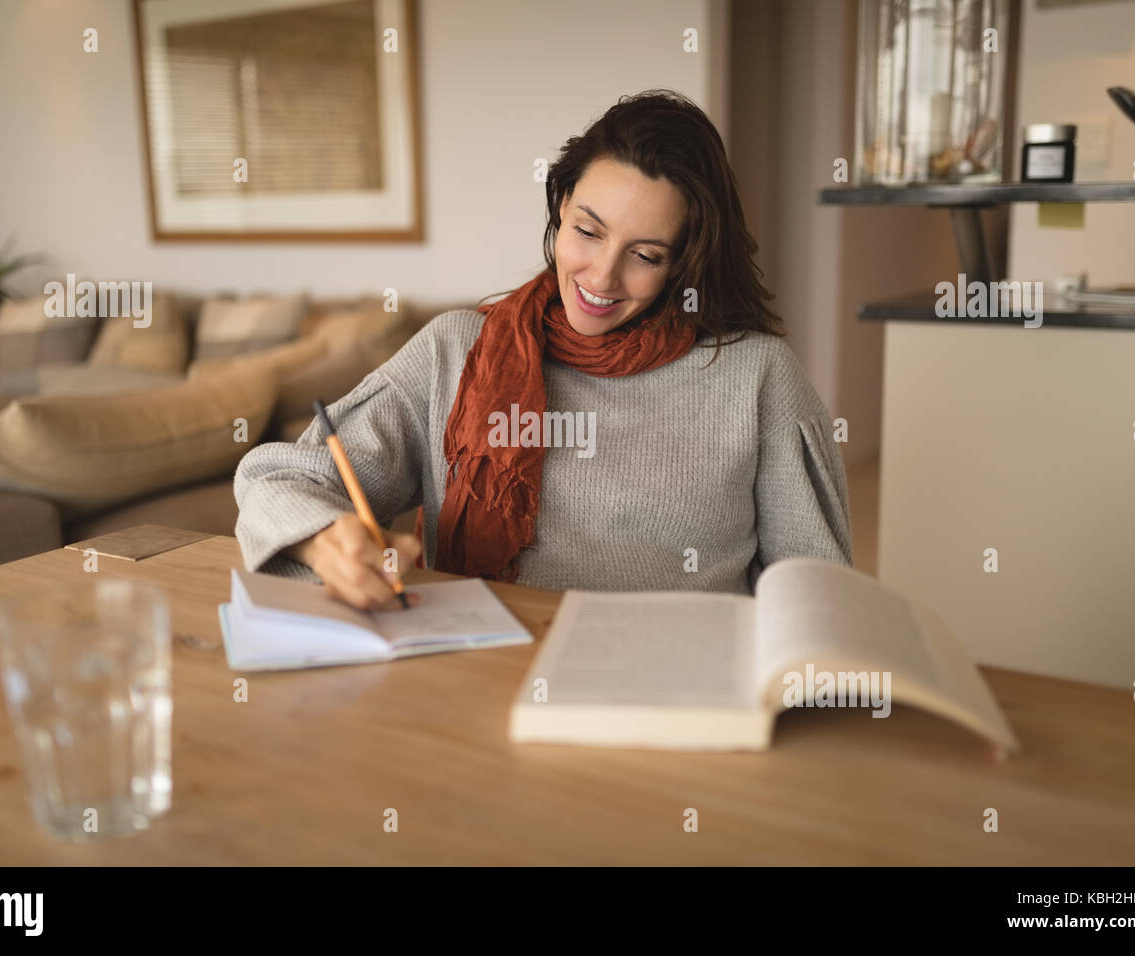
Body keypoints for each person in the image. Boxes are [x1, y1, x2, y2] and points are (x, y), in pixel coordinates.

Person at [233, 89, 852, 611]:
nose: (602, 277)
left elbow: (818, 598)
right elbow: (277, 477)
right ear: (560, 209)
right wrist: (326, 540)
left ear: (684, 261)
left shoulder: (758, 376)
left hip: (678, 700)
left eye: (646, 255)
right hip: (483, 682)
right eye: (588, 231)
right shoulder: (456, 350)